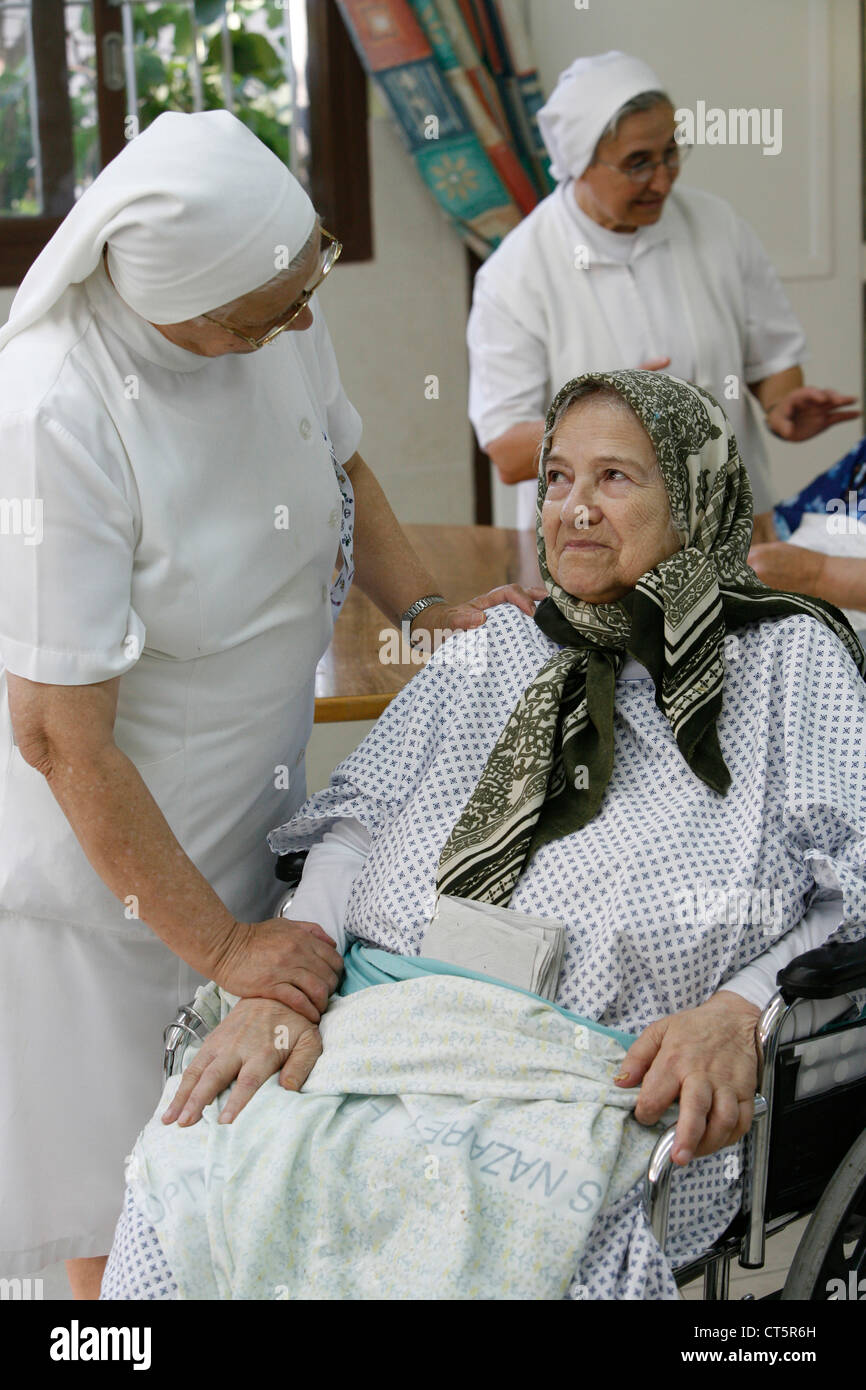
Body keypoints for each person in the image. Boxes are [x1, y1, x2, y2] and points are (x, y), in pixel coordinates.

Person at [101, 371, 866, 1300]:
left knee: (511, 1231)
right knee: (196, 1169)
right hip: (379, 1027)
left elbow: (852, 885)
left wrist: (740, 1010)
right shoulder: (496, 643)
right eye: (556, 479)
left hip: (601, 1070)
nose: (574, 509)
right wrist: (283, 985)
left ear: (697, 495)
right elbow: (355, 829)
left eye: (615, 479)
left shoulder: (789, 657)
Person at [0, 110, 541, 1298]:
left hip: (253, 805)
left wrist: (428, 607)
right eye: (263, 314)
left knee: (226, 1191)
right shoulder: (54, 407)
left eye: (308, 288)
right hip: (116, 881)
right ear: (172, 303)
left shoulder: (269, 305)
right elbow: (54, 730)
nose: (299, 322)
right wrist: (228, 946)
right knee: (121, 1199)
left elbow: (338, 459)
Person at [467, 49, 858, 533]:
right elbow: (506, 452)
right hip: (593, 544)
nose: (662, 179)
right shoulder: (517, 273)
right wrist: (611, 417)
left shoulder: (718, 226)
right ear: (578, 161)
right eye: (637, 163)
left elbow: (774, 364)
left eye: (670, 153)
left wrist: (783, 407)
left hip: (729, 528)